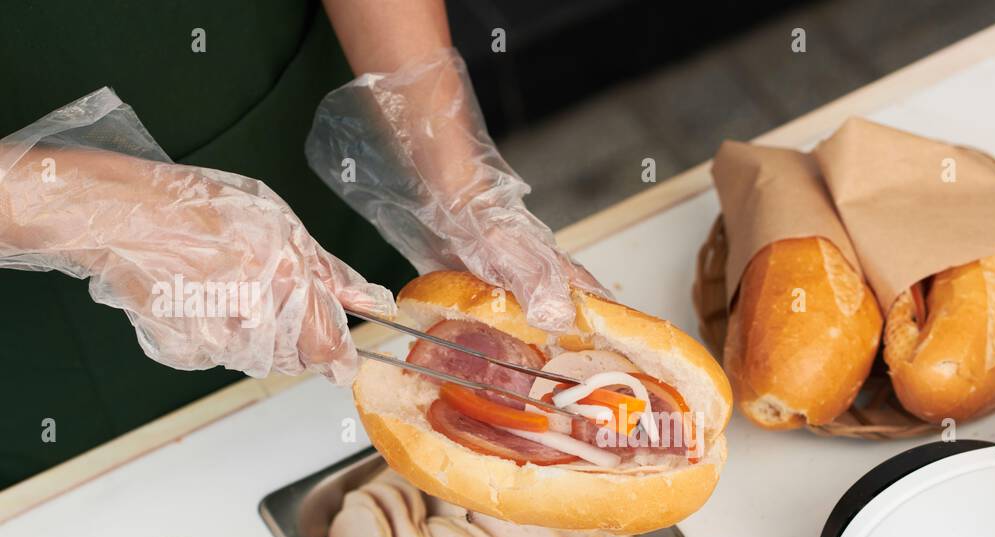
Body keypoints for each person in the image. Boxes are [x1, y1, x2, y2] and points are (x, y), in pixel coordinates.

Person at [0, 0, 597, 489]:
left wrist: (458, 188)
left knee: (386, 369)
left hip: (297, 145)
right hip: (45, 348)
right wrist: (104, 212)